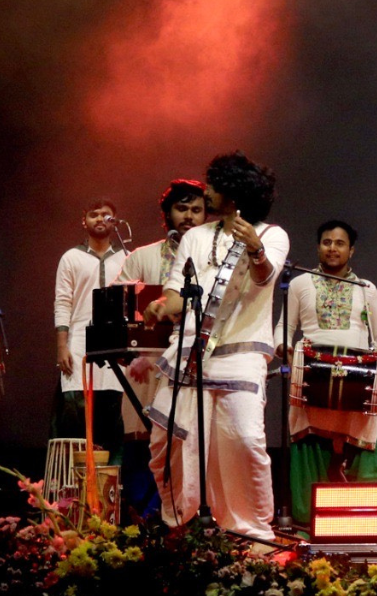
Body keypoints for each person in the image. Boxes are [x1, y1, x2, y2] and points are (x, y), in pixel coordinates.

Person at [135, 151, 286, 541]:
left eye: (214, 185)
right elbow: (175, 295)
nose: (208, 191)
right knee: (166, 441)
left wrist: (254, 247)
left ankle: (249, 530)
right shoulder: (195, 237)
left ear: (233, 193)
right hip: (190, 355)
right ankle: (179, 522)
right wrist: (158, 307)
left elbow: (264, 277)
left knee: (244, 440)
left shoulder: (272, 235)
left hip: (241, 355)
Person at [275, 220, 377, 532]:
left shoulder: (366, 288)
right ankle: (308, 524)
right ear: (318, 247)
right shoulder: (301, 284)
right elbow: (284, 327)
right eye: (327, 242)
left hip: (358, 375)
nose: (333, 248)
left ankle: (371, 521)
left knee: (371, 436)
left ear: (351, 250)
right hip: (312, 374)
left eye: (340, 243)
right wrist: (282, 346)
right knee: (308, 444)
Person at [115, 179, 207, 518]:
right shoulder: (142, 257)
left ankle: (185, 515)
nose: (189, 216)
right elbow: (120, 309)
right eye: (182, 208)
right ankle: (145, 516)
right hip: (147, 365)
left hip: (195, 364)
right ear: (167, 213)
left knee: (189, 437)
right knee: (142, 439)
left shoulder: (214, 261)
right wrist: (137, 352)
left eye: (197, 210)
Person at [53, 199, 128, 464]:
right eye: (94, 214)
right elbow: (63, 302)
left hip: (115, 346)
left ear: (115, 221)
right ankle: (74, 495)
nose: (100, 219)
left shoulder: (126, 259)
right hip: (79, 344)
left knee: (112, 419)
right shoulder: (71, 257)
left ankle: (110, 495)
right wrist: (62, 346)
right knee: (76, 418)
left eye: (106, 214)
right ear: (83, 221)